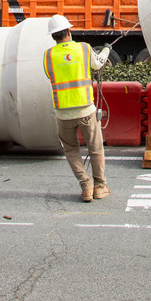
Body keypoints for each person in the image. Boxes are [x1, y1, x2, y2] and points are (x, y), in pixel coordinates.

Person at [42, 14, 110, 202]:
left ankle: (85, 185)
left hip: (62, 113)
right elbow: (98, 64)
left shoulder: (48, 55)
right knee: (95, 148)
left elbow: (50, 75)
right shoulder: (84, 48)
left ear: (53, 36)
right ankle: (100, 186)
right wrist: (106, 50)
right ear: (69, 31)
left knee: (71, 150)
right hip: (85, 110)